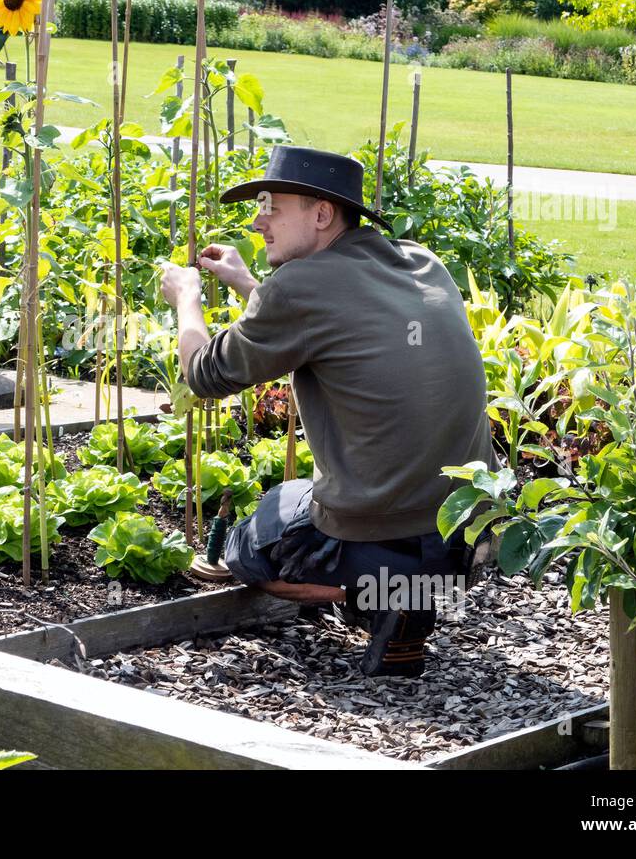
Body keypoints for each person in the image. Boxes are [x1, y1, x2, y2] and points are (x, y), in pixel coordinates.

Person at [159, 145, 499, 677]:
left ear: (321, 214)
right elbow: (333, 326)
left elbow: (203, 375)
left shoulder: (301, 289)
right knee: (306, 506)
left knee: (255, 539)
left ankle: (387, 597)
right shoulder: (420, 263)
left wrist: (187, 298)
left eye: (273, 205)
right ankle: (412, 587)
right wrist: (250, 287)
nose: (258, 220)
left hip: (382, 541)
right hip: (465, 537)